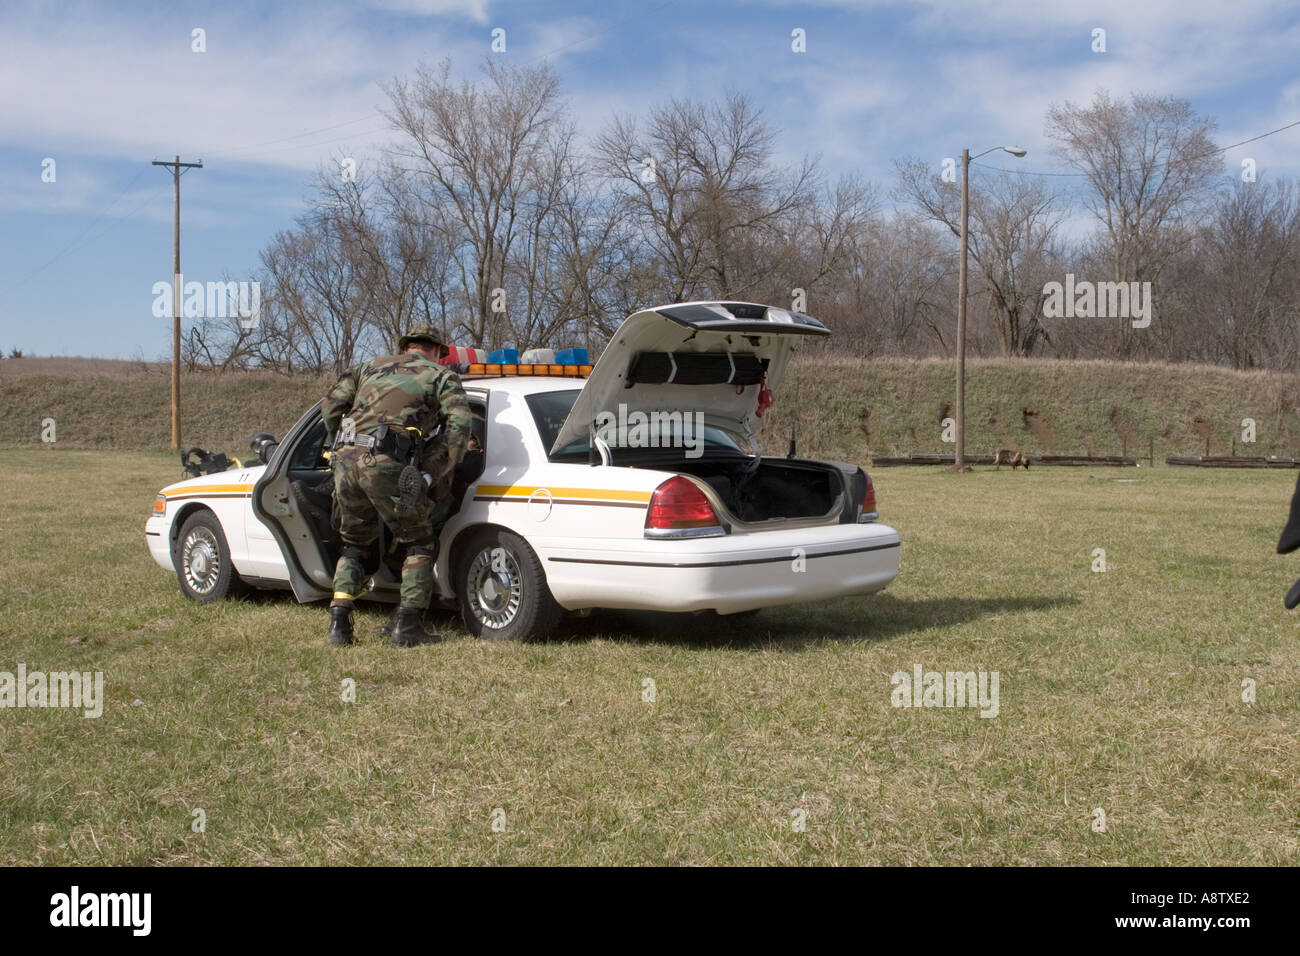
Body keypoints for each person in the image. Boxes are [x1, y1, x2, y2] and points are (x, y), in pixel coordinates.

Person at [320, 323, 471, 646]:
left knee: (355, 545)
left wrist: (339, 445)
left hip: (345, 461)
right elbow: (460, 422)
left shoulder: (367, 367)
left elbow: (330, 407)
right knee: (418, 541)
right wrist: (445, 467)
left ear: (407, 346)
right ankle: (408, 624)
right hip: (387, 462)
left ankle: (339, 623)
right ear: (435, 350)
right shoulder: (440, 375)